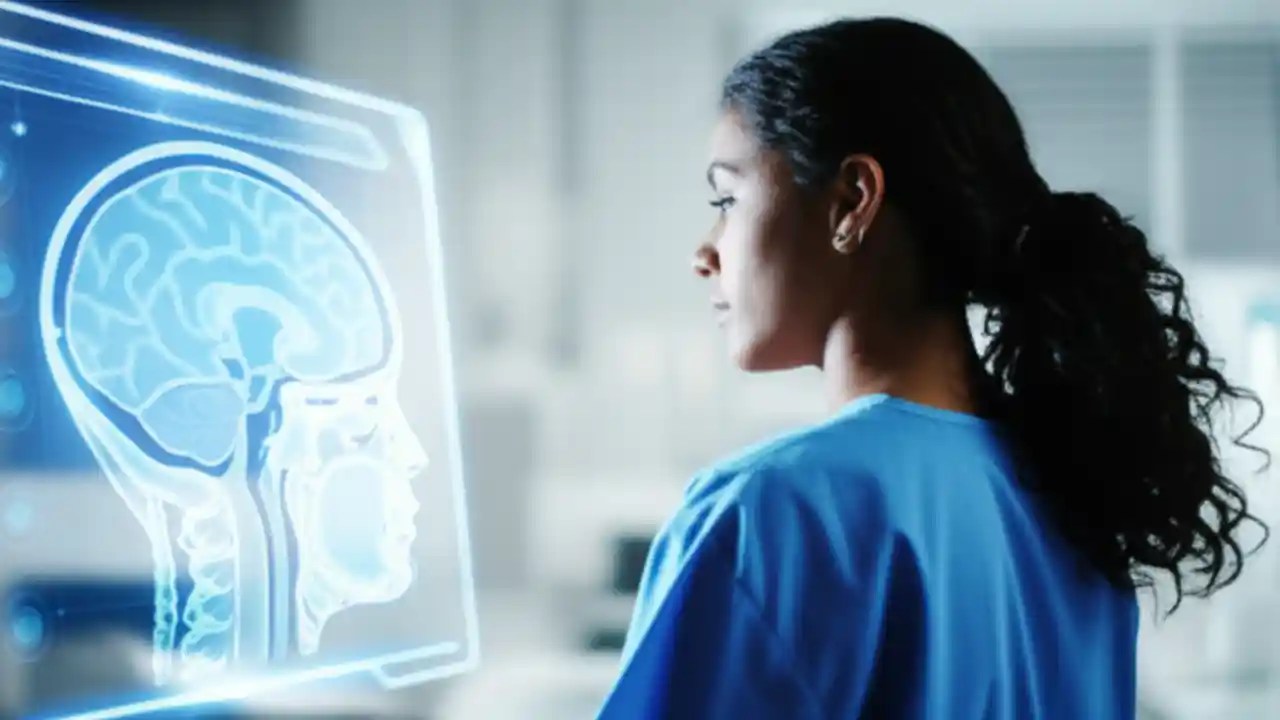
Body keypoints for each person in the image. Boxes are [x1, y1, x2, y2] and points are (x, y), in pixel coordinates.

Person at [595, 17, 1268, 720]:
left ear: (852, 202)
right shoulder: (1073, 504)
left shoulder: (770, 512)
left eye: (726, 200)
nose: (704, 253)